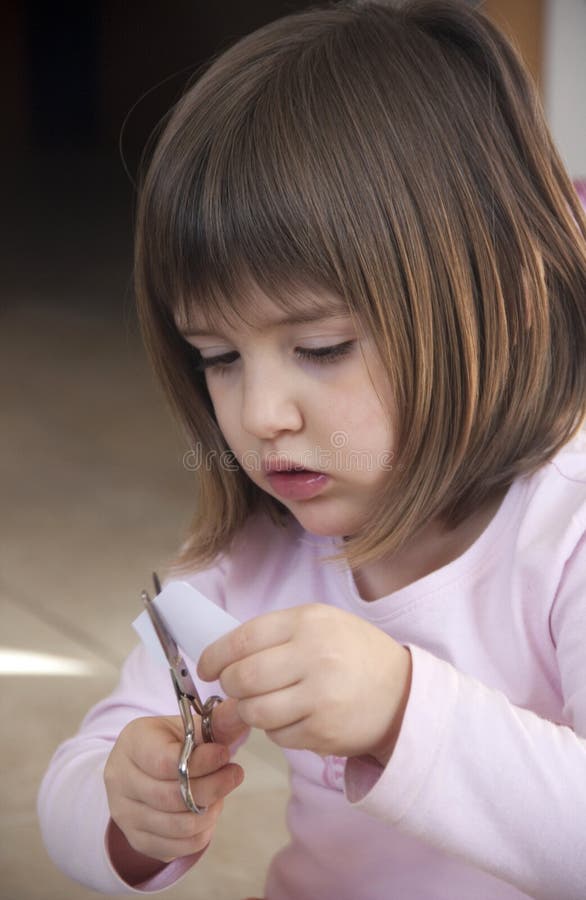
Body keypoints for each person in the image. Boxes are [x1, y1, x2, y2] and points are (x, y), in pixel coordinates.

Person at [38, 1, 586, 897]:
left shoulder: (566, 533)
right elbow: (85, 766)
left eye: (321, 348)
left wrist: (403, 711)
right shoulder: (249, 557)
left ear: (501, 302)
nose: (261, 415)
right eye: (217, 357)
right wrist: (122, 802)